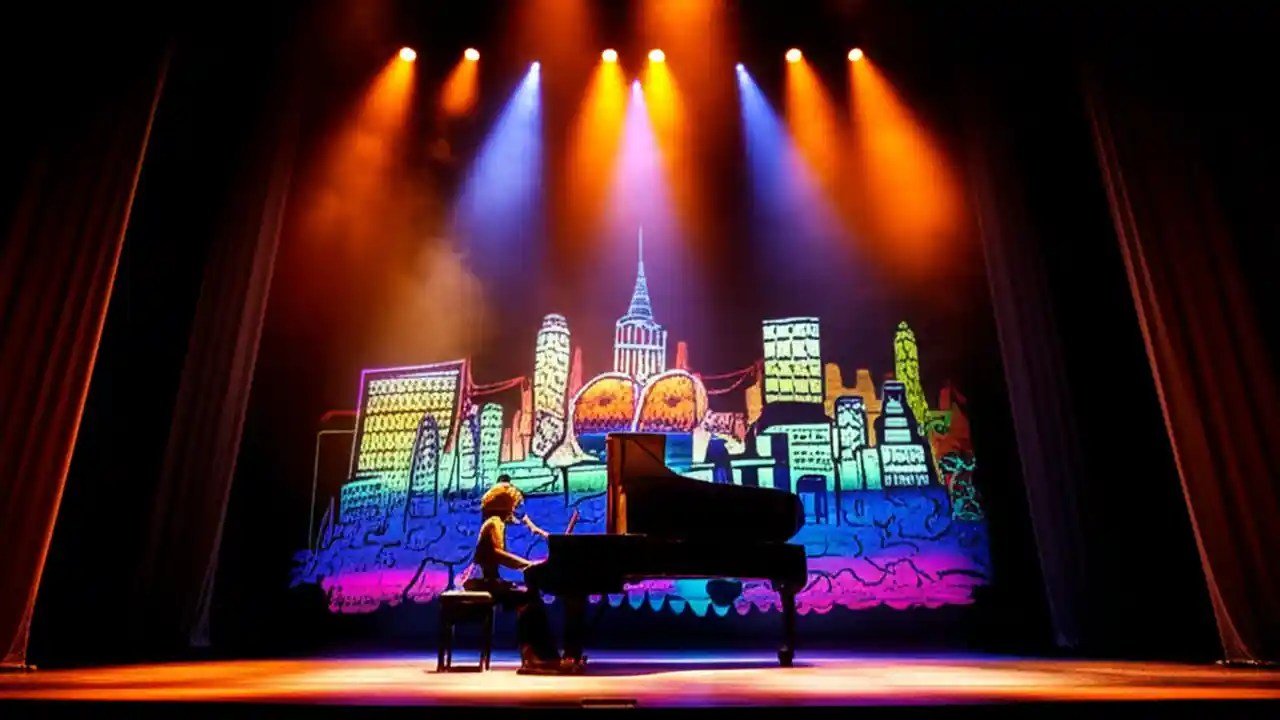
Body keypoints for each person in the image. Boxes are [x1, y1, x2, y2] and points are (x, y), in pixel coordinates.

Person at [464, 482, 574, 674]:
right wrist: (527, 564)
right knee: (528, 599)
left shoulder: (495, 523)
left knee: (530, 597)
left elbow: (497, 555)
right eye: (513, 505)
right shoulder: (494, 523)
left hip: (488, 581)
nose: (515, 510)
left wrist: (526, 564)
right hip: (482, 583)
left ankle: (542, 656)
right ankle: (534, 657)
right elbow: (497, 554)